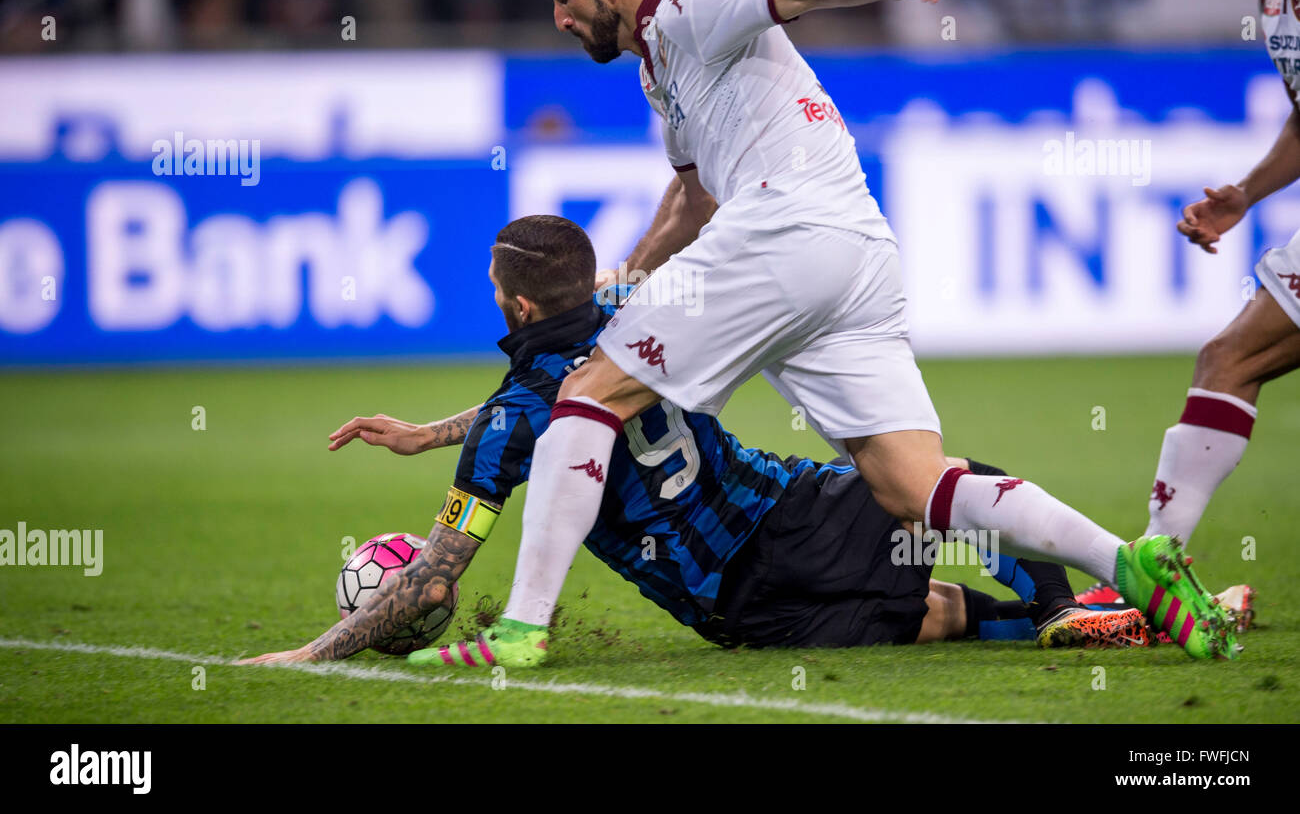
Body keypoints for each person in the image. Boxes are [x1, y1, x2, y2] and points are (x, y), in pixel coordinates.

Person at [455, 0, 1236, 663]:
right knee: (914, 486)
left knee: (588, 394)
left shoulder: (689, 9)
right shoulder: (663, 75)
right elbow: (693, 197)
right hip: (857, 253)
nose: (559, 16)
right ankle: (1127, 562)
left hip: (784, 232)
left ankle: (522, 630)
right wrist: (626, 277)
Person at [236, 217, 1153, 667]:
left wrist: (314, 653)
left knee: (927, 576)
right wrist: (428, 435)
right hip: (785, 509)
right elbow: (559, 405)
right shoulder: (643, 319)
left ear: (515, 304)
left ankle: (1062, 607)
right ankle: (1093, 601)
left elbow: (435, 578)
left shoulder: (516, 420)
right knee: (934, 518)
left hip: (727, 599)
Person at [1080, 0, 1296, 614]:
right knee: (1228, 358)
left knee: (1228, 358)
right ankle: (1156, 565)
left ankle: (1152, 572)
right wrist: (1246, 193)